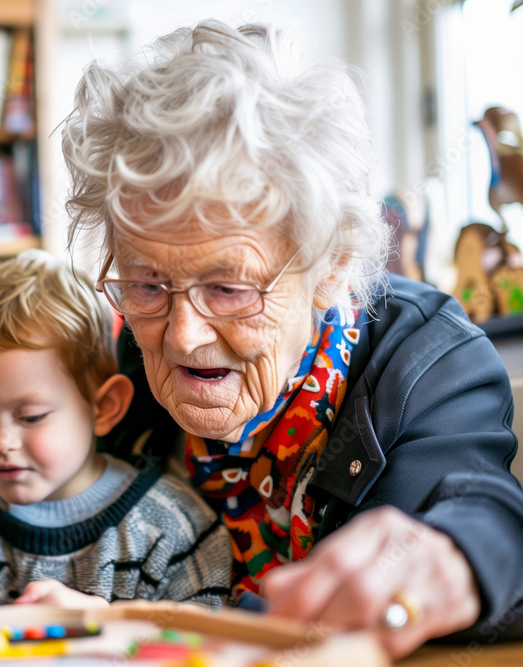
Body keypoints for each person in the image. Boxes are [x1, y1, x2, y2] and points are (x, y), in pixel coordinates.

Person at [61, 20, 523, 659]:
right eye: (145, 284)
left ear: (330, 266)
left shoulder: (427, 364)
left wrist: (452, 559)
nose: (184, 338)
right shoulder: (125, 370)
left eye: (228, 288)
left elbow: (486, 513)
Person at [0, 249, 231, 608]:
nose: (0, 442)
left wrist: (103, 624)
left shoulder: (171, 527)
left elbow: (205, 647)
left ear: (104, 407)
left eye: (31, 417)